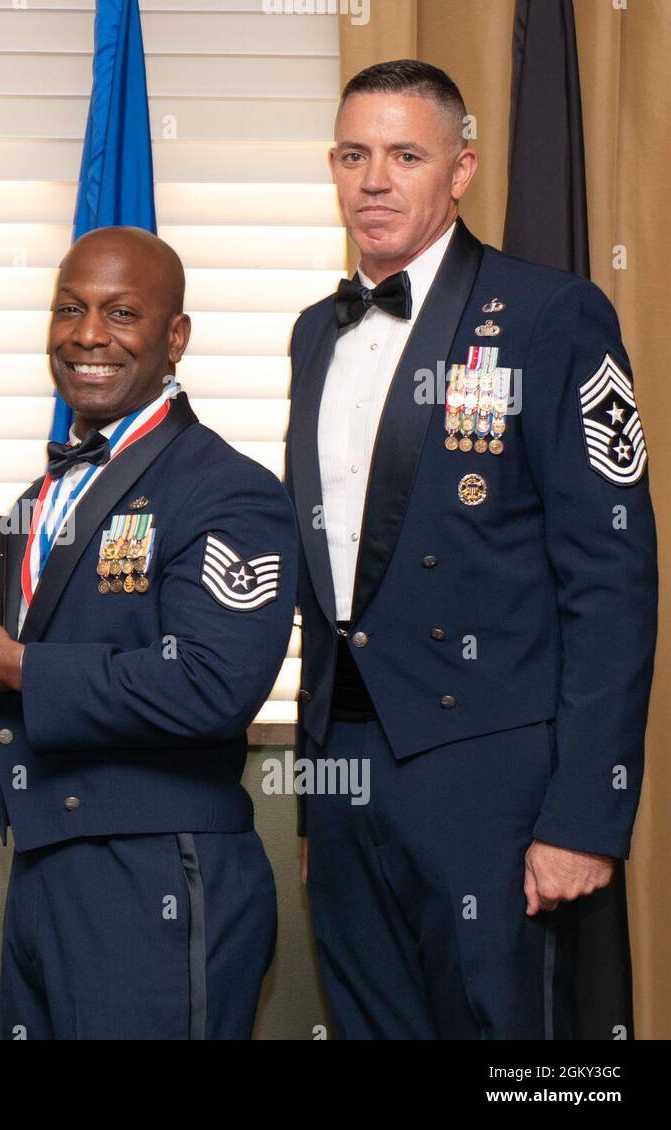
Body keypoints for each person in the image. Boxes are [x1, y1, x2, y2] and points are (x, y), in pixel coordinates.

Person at [0, 227, 298, 1039]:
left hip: (158, 873)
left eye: (121, 312)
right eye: (69, 308)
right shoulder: (43, 497)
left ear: (175, 338)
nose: (88, 335)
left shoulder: (228, 492)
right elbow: (4, 678)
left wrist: (21, 665)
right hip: (43, 871)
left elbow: (212, 686)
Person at [284, 60, 656, 1039]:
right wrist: (316, 804)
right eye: (355, 154)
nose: (375, 180)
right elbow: (324, 586)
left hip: (495, 778)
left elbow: (610, 579)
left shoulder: (551, 315)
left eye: (405, 154)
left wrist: (583, 815)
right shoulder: (310, 336)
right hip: (347, 776)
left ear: (461, 169)